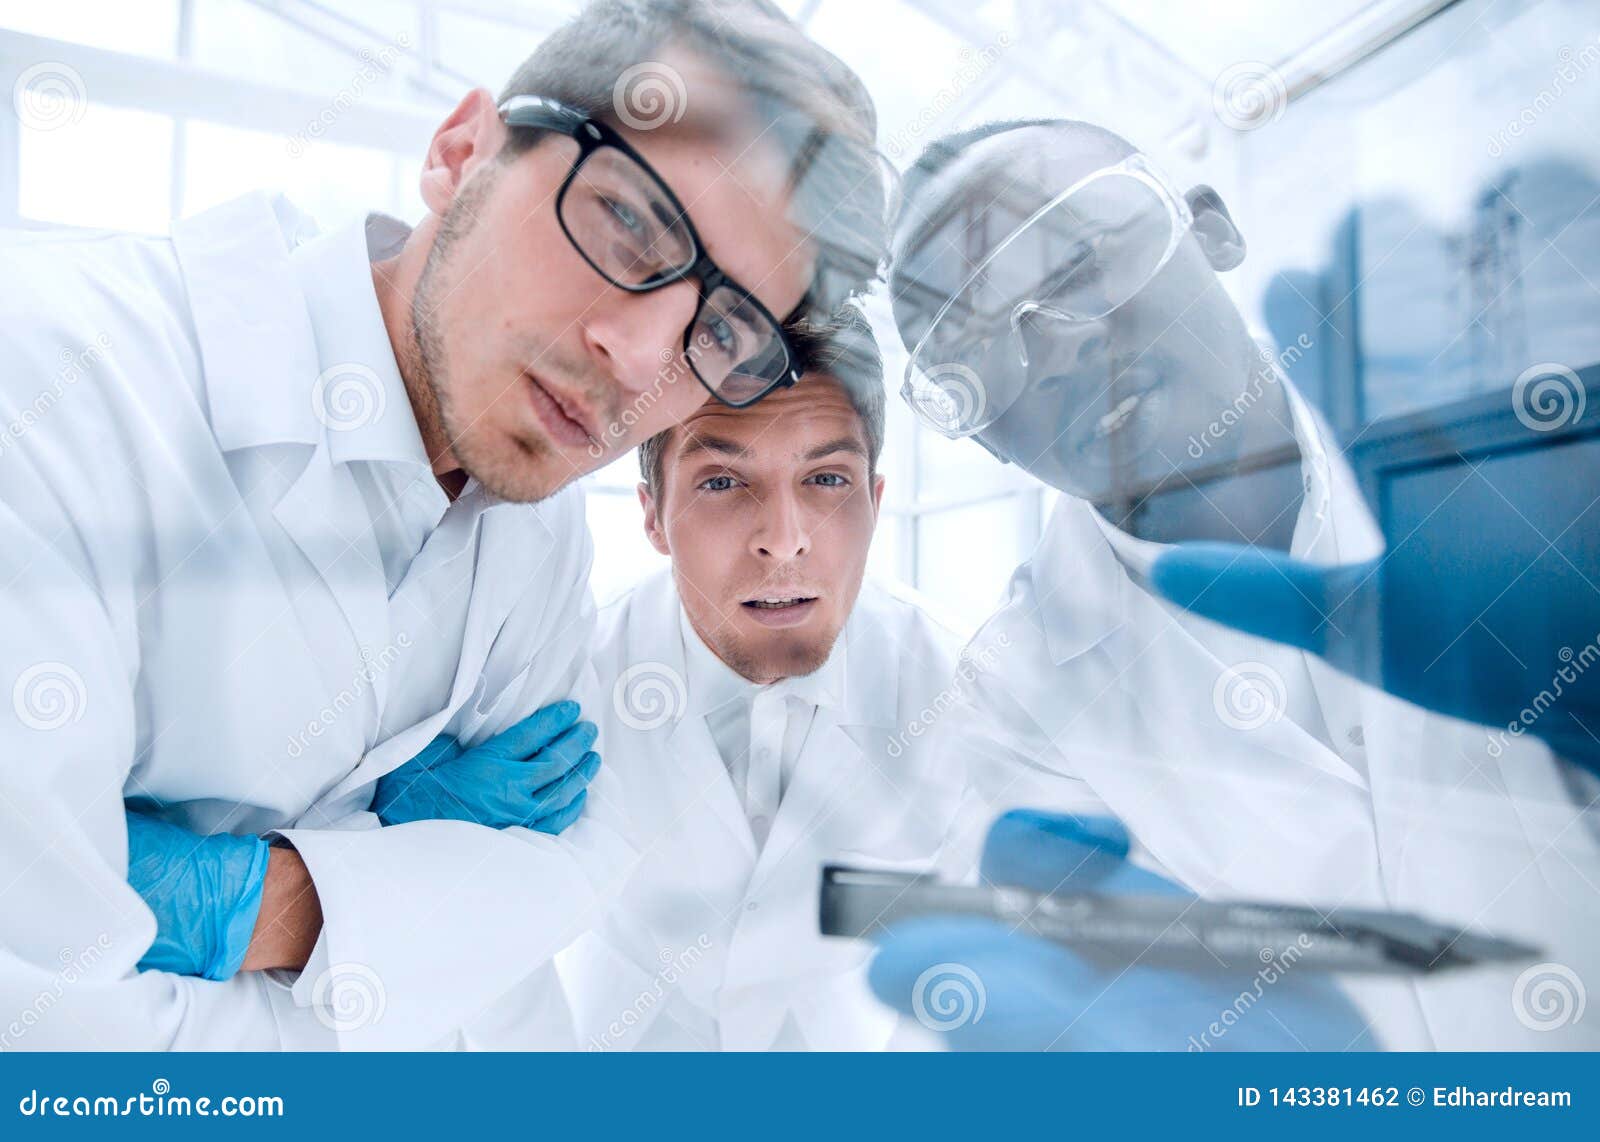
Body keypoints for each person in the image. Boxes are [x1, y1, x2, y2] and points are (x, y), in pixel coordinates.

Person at [0, 0, 887, 1050]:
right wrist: (366, 883)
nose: (643, 357)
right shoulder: (51, 381)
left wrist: (210, 886)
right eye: (629, 223)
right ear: (462, 150)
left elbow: (537, 917)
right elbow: (50, 1021)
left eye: (722, 328)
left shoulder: (536, 539)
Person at [869, 118, 1599, 1050]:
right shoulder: (1010, 708)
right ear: (972, 429)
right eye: (976, 352)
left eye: (1080, 262)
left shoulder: (1526, 467)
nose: (1057, 352)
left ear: (1207, 228)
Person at [458, 310, 970, 1049]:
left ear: (877, 502)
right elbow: (493, 962)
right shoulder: (565, 688)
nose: (783, 539)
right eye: (724, 481)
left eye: (827, 478)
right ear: (654, 516)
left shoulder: (960, 695)